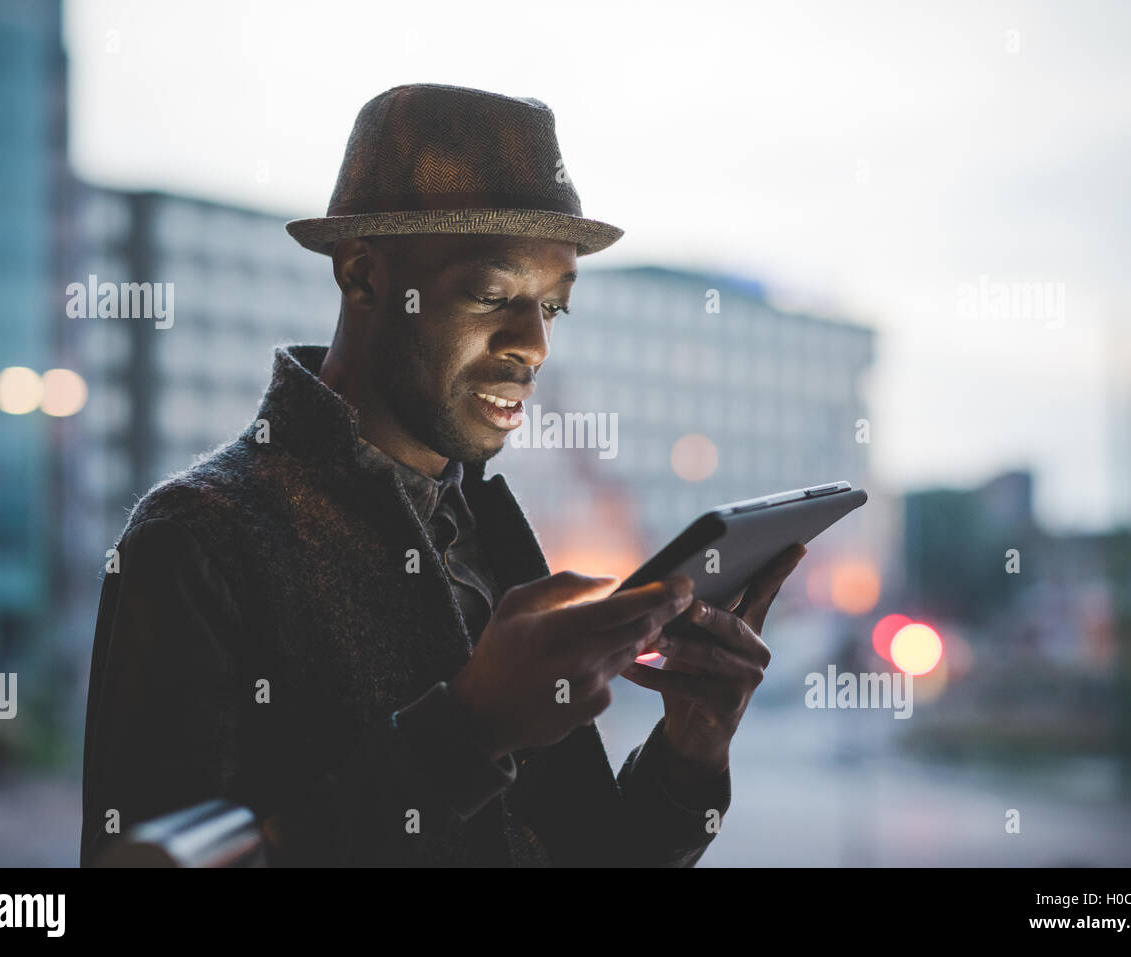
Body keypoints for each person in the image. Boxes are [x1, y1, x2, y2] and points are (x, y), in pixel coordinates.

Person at [80, 83, 804, 866]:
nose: (535, 344)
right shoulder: (199, 539)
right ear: (361, 275)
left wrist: (690, 758)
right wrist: (471, 729)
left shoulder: (487, 526)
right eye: (492, 293)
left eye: (552, 307)